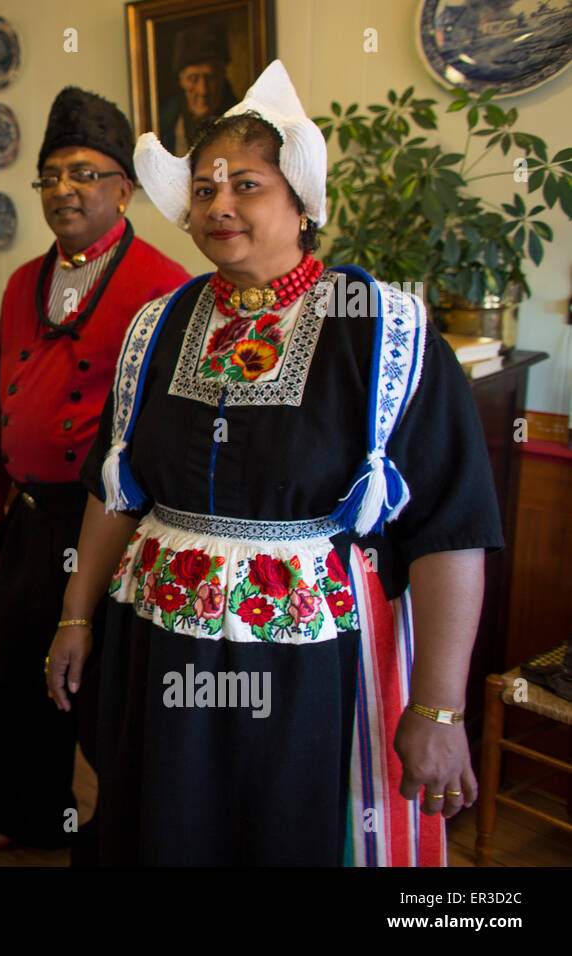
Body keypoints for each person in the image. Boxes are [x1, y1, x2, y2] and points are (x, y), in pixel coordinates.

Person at [47, 61, 503, 865]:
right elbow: (116, 486)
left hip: (308, 673)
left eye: (247, 186)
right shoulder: (160, 325)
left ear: (302, 203)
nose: (218, 204)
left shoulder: (384, 330)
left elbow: (449, 526)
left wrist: (439, 707)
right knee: (160, 830)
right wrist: (78, 613)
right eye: (203, 189)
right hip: (159, 647)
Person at [0, 86, 189, 854]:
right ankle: (14, 806)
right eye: (52, 173)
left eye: (85, 173)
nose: (64, 189)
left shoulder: (165, 287)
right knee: (15, 675)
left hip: (110, 523)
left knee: (101, 681)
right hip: (29, 516)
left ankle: (120, 827)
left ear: (123, 188)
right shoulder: (24, 279)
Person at [158, 25, 239, 156]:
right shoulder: (167, 131)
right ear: (181, 81)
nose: (203, 90)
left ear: (222, 77)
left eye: (211, 78)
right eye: (193, 79)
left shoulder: (243, 127)